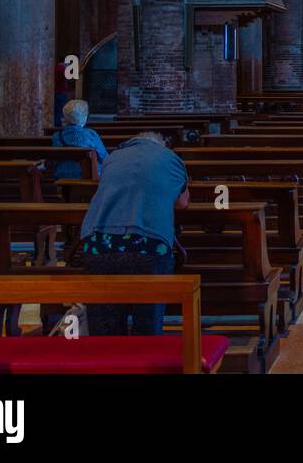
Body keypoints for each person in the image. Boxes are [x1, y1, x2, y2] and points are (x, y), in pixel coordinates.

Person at [78, 131, 190, 336]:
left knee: (105, 326)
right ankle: (147, 360)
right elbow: (182, 203)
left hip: (99, 244)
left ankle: (109, 363)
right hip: (148, 246)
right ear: (161, 145)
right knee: (148, 322)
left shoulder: (113, 158)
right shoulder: (171, 159)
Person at [36, 100, 109, 266]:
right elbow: (105, 158)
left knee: (69, 200)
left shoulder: (57, 137)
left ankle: (69, 235)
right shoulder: (90, 135)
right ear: (84, 118)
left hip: (63, 182)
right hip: (89, 182)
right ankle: (91, 232)